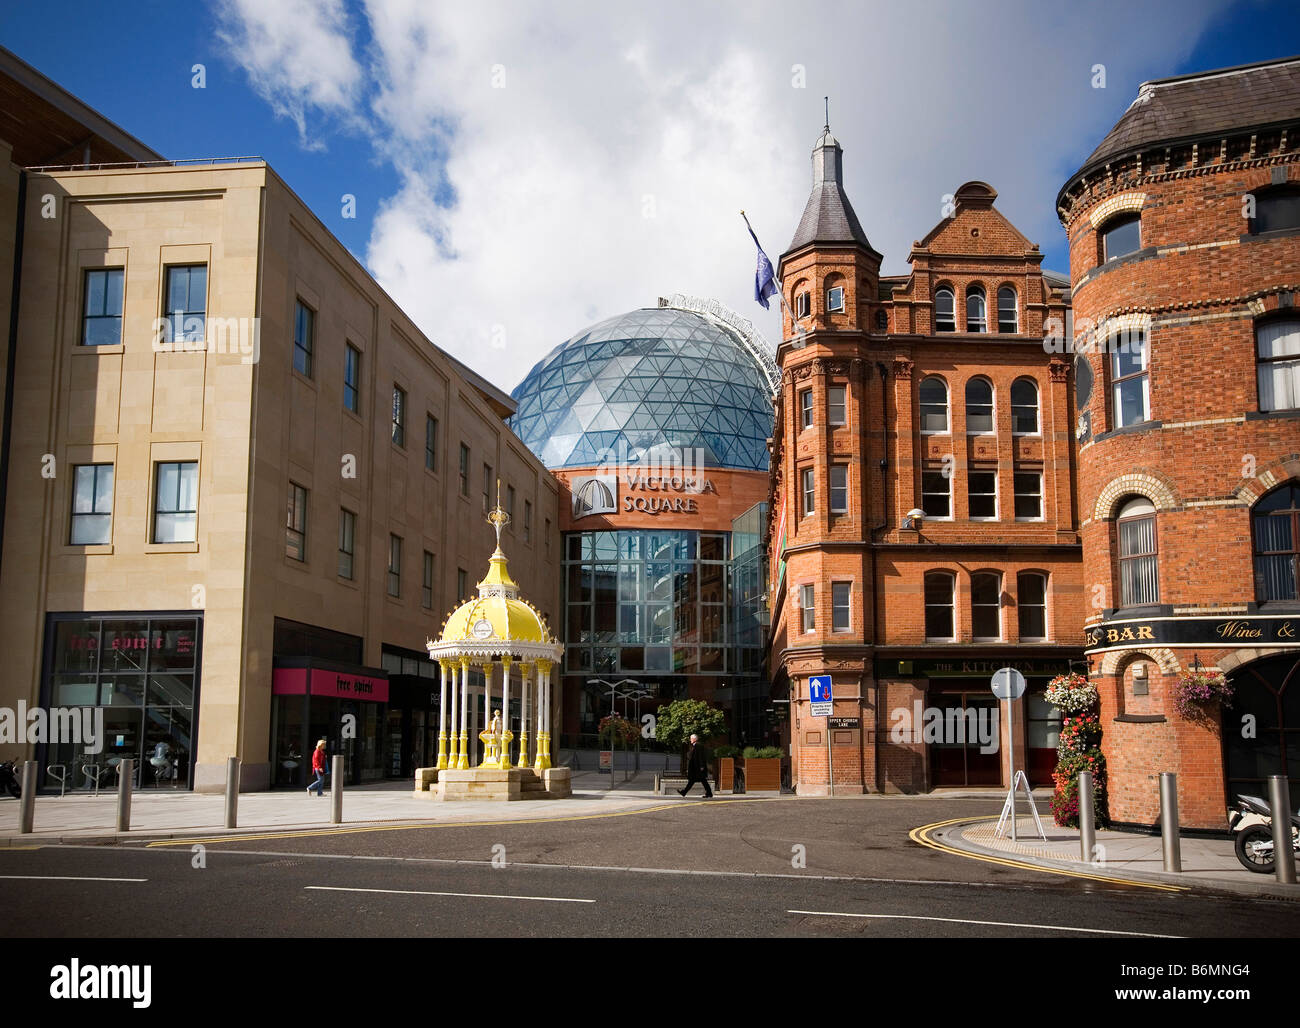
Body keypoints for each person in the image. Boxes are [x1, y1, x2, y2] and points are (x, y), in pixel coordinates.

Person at [679, 733, 713, 799]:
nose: (690, 740)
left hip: (698, 768)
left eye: (691, 738)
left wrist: (702, 766)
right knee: (699, 781)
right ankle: (709, 793)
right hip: (696, 768)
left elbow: (701, 756)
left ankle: (684, 792)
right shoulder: (695, 746)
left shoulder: (698, 745)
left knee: (699, 781)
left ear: (694, 739)